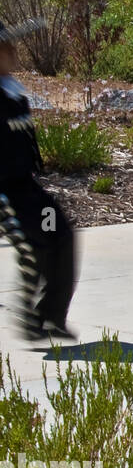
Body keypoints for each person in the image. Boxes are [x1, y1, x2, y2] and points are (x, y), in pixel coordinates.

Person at [0, 18, 78, 342]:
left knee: (59, 235)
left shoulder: (12, 90)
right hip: (3, 194)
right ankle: (31, 320)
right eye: (6, 48)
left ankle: (51, 316)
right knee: (34, 248)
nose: (14, 53)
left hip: (27, 190)